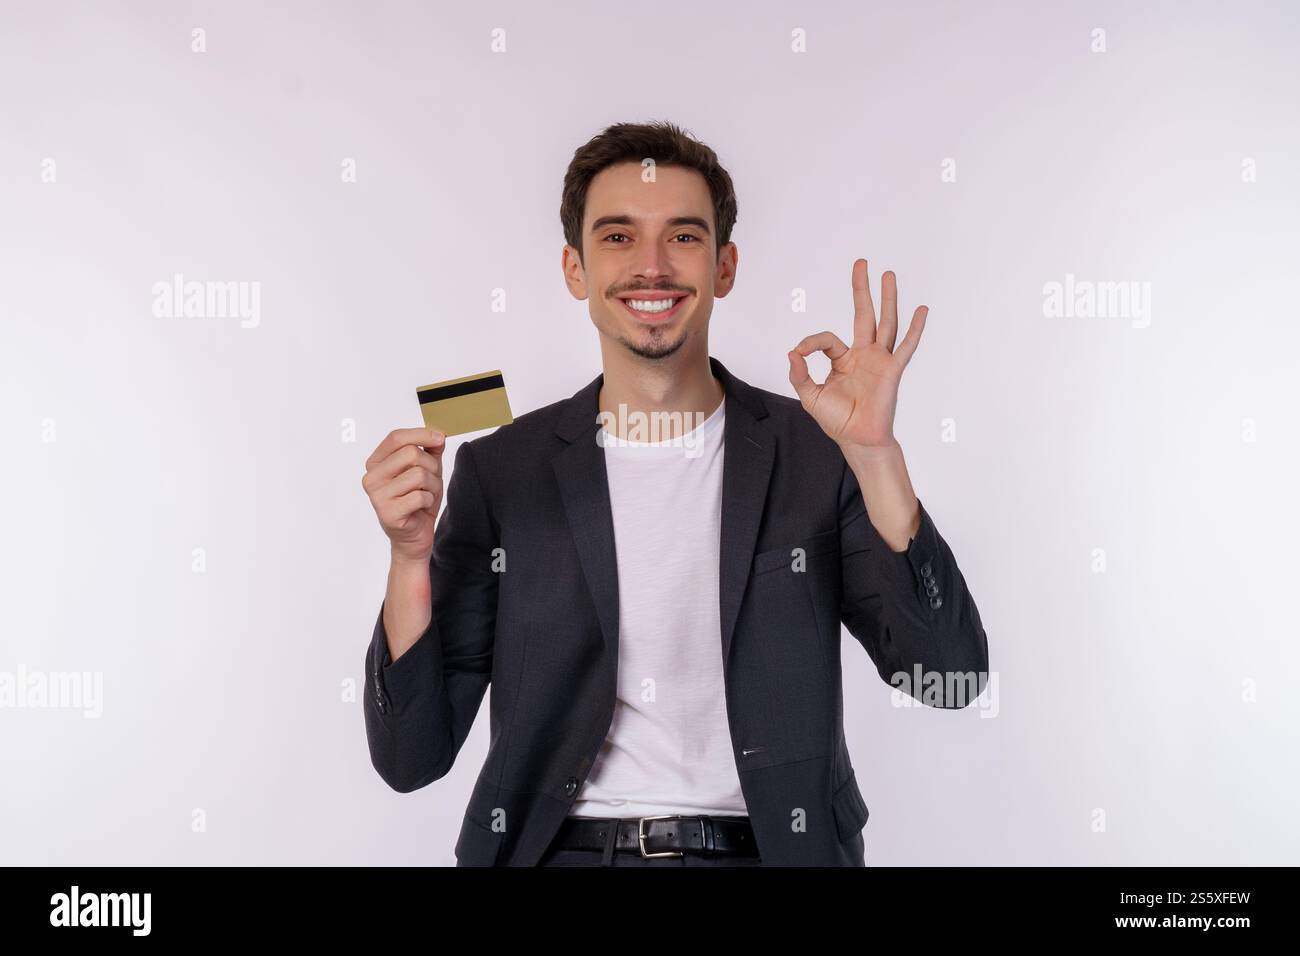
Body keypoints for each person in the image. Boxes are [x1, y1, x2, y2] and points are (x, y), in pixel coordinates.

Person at [360, 120, 989, 866]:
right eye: (618, 237)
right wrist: (408, 559)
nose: (651, 268)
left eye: (684, 237)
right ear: (576, 268)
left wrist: (877, 457)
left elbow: (951, 679)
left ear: (724, 267)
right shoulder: (504, 472)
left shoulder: (814, 455)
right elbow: (411, 757)